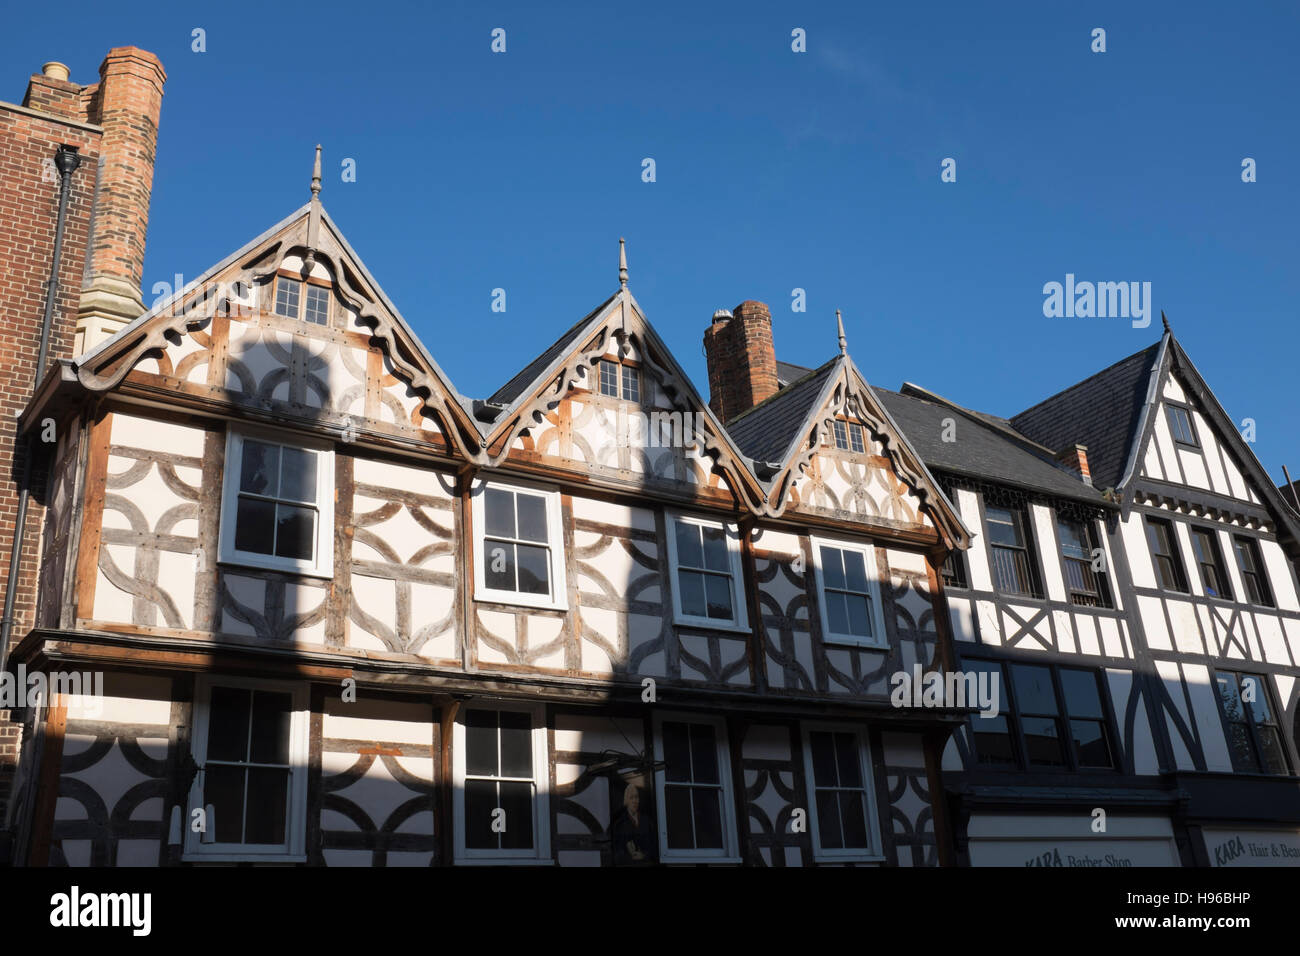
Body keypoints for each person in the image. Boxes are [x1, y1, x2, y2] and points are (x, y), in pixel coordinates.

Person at [610, 781, 655, 865]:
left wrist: (644, 855)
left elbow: (654, 846)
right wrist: (630, 856)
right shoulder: (619, 824)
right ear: (626, 800)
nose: (635, 801)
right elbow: (616, 852)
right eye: (631, 798)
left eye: (636, 797)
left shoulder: (647, 821)